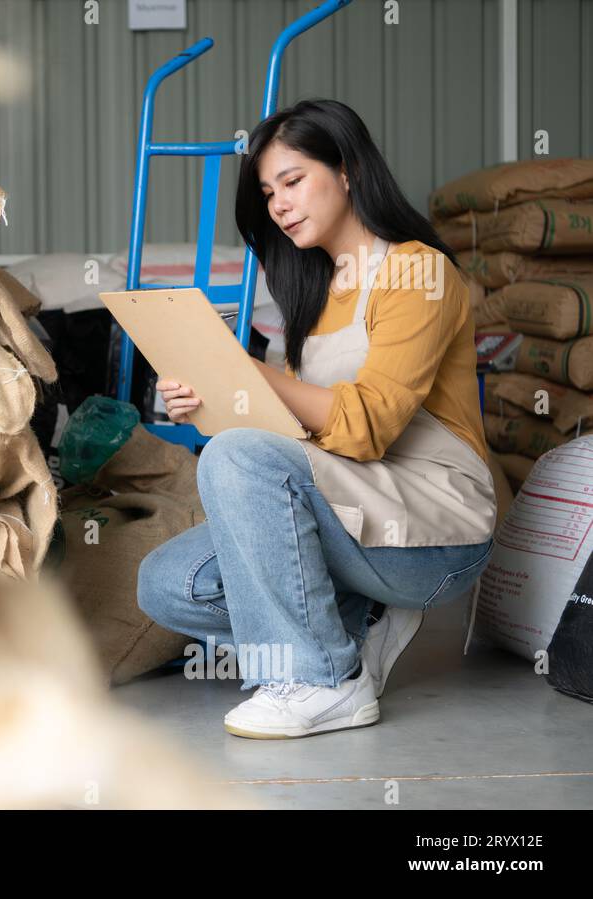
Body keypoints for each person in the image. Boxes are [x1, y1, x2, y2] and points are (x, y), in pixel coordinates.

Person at [137, 98, 496, 739]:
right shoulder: (313, 292)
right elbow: (290, 439)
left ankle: (320, 681)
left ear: (349, 170)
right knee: (167, 584)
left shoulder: (418, 273)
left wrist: (251, 373)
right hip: (354, 512)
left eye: (294, 180)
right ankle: (354, 626)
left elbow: (367, 428)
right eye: (269, 190)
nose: (278, 203)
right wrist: (213, 397)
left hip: (437, 531)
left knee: (237, 455)